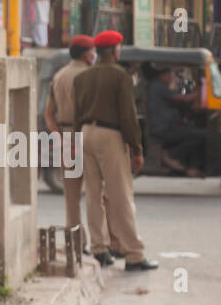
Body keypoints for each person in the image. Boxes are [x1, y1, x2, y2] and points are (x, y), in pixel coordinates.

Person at [72, 30, 158, 270]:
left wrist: (76, 140)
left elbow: (78, 114)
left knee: (93, 194)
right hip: (110, 136)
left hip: (85, 134)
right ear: (114, 52)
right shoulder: (121, 76)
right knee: (121, 196)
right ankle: (134, 254)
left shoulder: (82, 78)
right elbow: (128, 116)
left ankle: (99, 249)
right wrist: (137, 149)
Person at [44, 35, 101, 240]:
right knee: (97, 193)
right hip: (90, 135)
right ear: (87, 54)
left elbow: (49, 114)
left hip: (67, 136)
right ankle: (100, 243)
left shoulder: (58, 76)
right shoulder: (93, 76)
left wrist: (60, 139)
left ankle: (76, 242)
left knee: (72, 196)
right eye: (93, 51)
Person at [144, 66, 204, 177]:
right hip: (165, 129)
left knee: (195, 134)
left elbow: (180, 103)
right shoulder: (157, 87)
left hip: (168, 126)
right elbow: (183, 98)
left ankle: (185, 163)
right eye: (169, 75)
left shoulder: (159, 87)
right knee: (202, 136)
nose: (171, 78)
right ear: (162, 76)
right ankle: (175, 157)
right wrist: (202, 91)